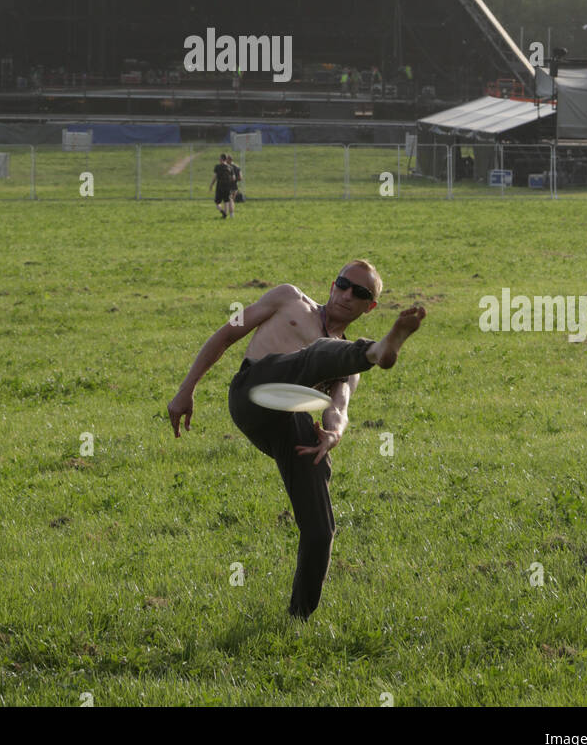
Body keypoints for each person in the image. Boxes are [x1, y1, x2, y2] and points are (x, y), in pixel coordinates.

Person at [168, 261, 426, 620]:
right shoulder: (287, 299)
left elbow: (339, 408)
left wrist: (332, 435)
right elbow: (226, 334)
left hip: (293, 418)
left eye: (361, 293)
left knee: (321, 529)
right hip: (254, 389)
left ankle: (298, 618)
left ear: (370, 307)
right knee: (319, 352)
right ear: (332, 284)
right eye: (344, 284)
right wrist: (186, 390)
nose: (347, 294)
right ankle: (376, 352)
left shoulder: (344, 363)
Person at [209, 152, 234, 218]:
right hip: (227, 187)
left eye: (219, 158)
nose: (219, 159)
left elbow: (215, 177)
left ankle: (222, 211)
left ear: (221, 159)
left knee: (217, 202)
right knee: (226, 201)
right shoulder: (230, 167)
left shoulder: (217, 167)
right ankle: (225, 214)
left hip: (219, 186)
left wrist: (211, 185)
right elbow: (233, 178)